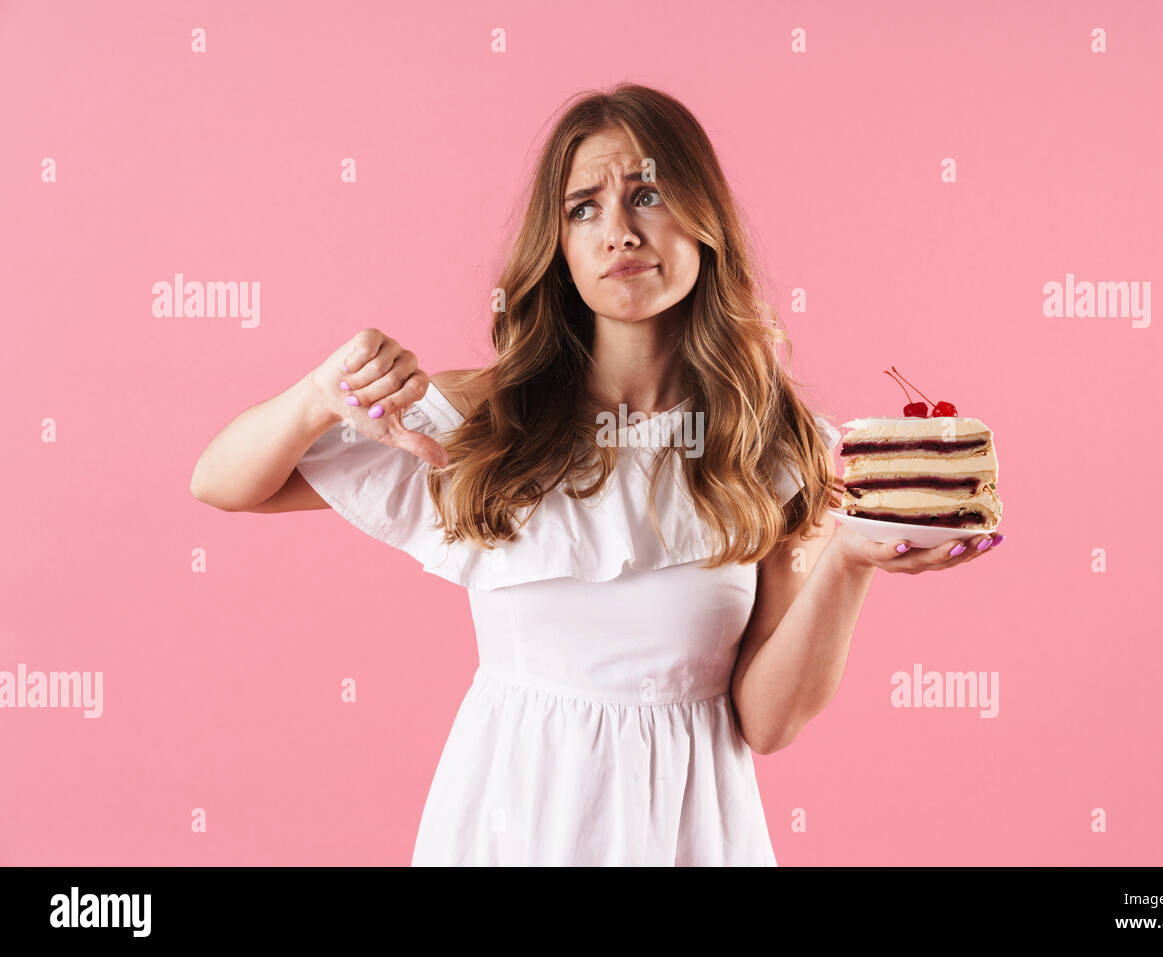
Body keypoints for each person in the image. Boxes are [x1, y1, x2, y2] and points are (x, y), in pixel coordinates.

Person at [190, 83, 1003, 866]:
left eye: (646, 195)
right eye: (583, 208)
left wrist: (852, 560)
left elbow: (769, 722)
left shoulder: (778, 445)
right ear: (561, 249)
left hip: (690, 837)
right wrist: (315, 395)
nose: (618, 231)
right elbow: (222, 482)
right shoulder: (481, 419)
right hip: (509, 828)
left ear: (704, 220)